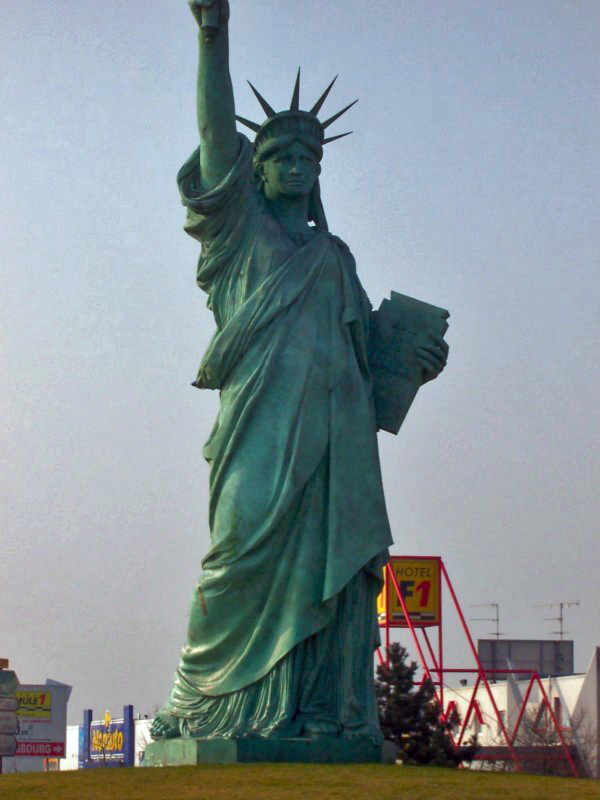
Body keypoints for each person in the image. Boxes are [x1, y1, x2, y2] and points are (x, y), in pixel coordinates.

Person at [150, 0, 448, 742]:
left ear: (318, 172)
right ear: (256, 169)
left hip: (340, 441)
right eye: (281, 156)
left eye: (307, 159)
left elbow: (368, 374)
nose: (295, 166)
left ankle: (321, 713)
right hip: (261, 427)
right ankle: (202, 702)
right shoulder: (238, 231)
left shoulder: (336, 256)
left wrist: (414, 365)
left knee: (334, 576)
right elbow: (216, 133)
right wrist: (212, 33)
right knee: (235, 558)